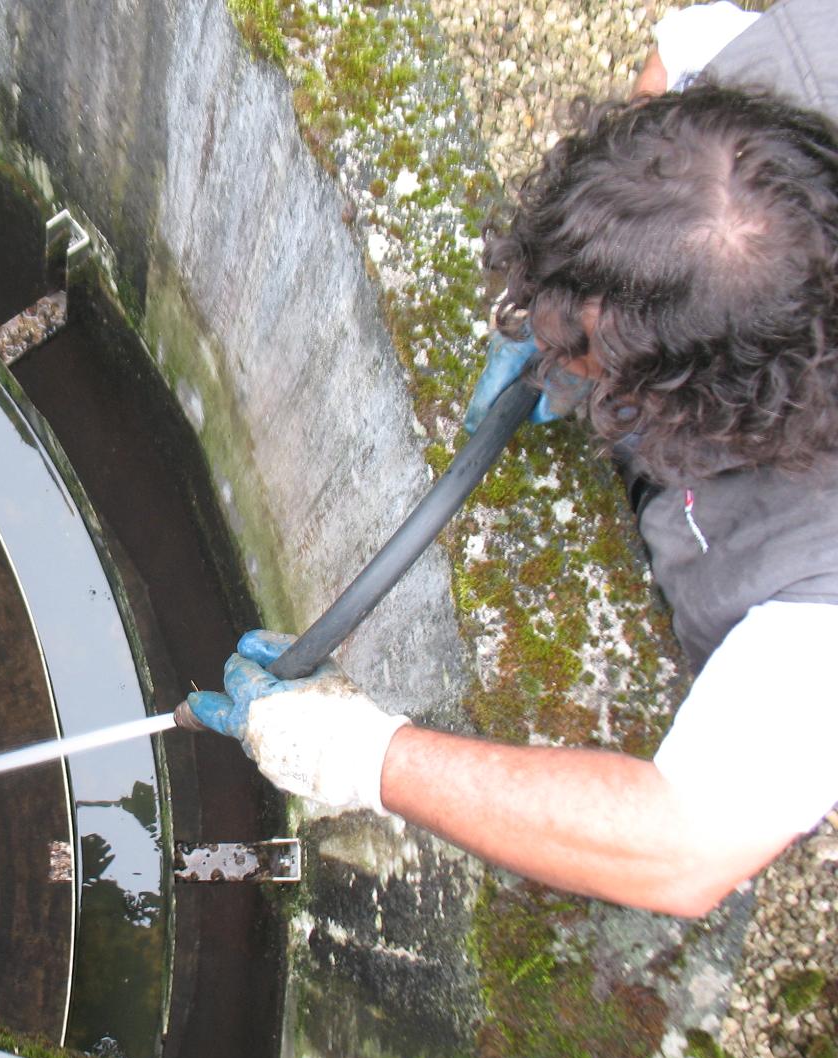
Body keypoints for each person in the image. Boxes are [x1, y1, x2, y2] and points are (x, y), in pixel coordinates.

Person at [187, 2, 838, 919]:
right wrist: (562, 321)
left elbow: (685, 850)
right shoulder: (783, 81)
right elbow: (670, 62)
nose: (554, 349)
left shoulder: (820, 604)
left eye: (602, 368)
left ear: (713, 414)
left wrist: (359, 755)